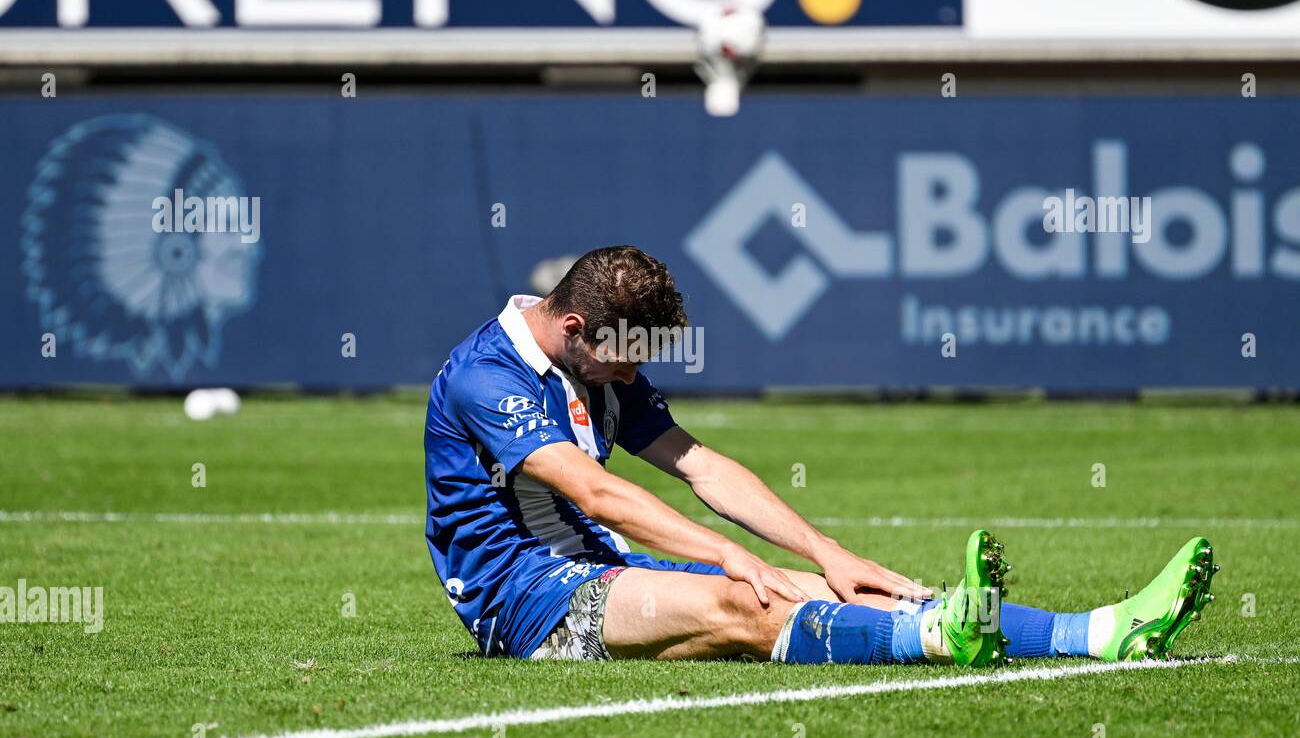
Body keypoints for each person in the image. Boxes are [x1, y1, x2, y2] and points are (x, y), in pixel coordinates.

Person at [423, 246, 1216, 665]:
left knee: (822, 587)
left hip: (603, 565)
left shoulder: (594, 356)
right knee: (746, 603)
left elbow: (701, 464)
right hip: (526, 607)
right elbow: (596, 494)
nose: (631, 377)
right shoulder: (485, 379)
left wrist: (823, 549)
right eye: (624, 361)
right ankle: (944, 642)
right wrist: (729, 555)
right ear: (572, 330)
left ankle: (1101, 632)